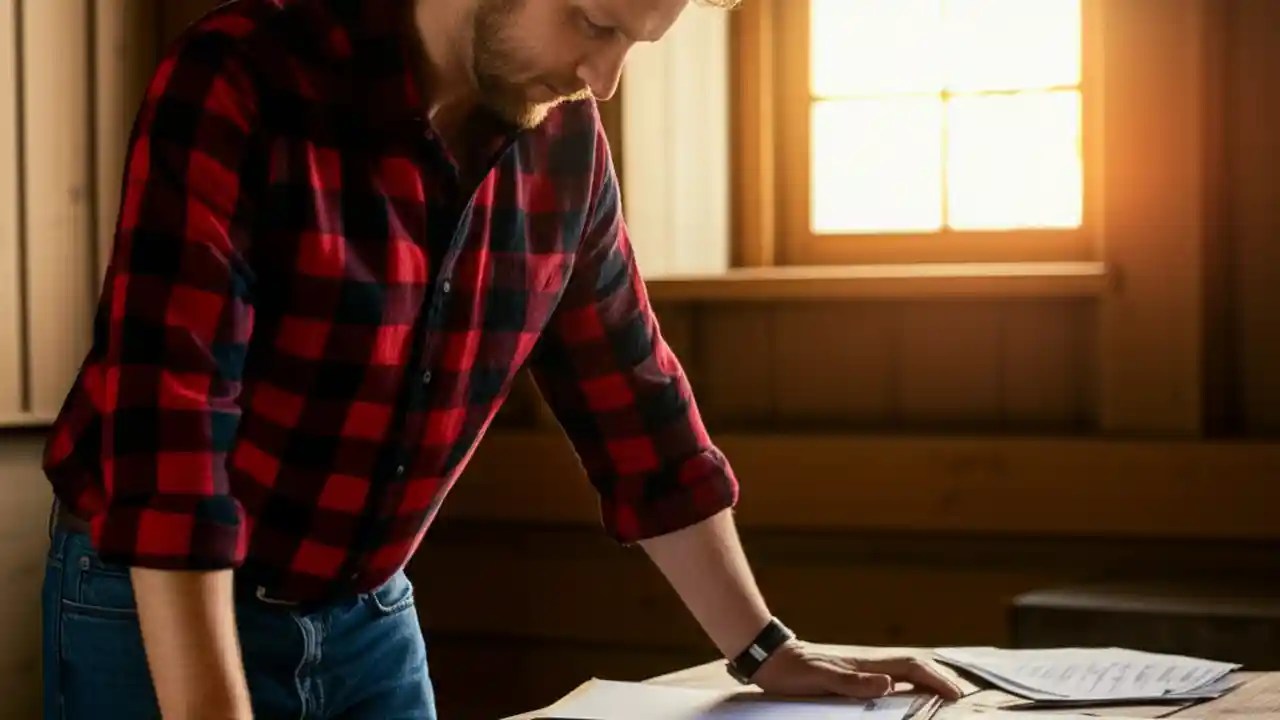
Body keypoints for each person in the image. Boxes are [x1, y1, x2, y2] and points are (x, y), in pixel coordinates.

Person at [39, 0, 966, 717]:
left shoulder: (565, 141)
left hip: (369, 613)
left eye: (634, 45)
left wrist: (765, 648)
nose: (601, 77)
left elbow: (634, 404)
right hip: (151, 603)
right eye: (595, 24)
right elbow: (171, 428)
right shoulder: (241, 76)